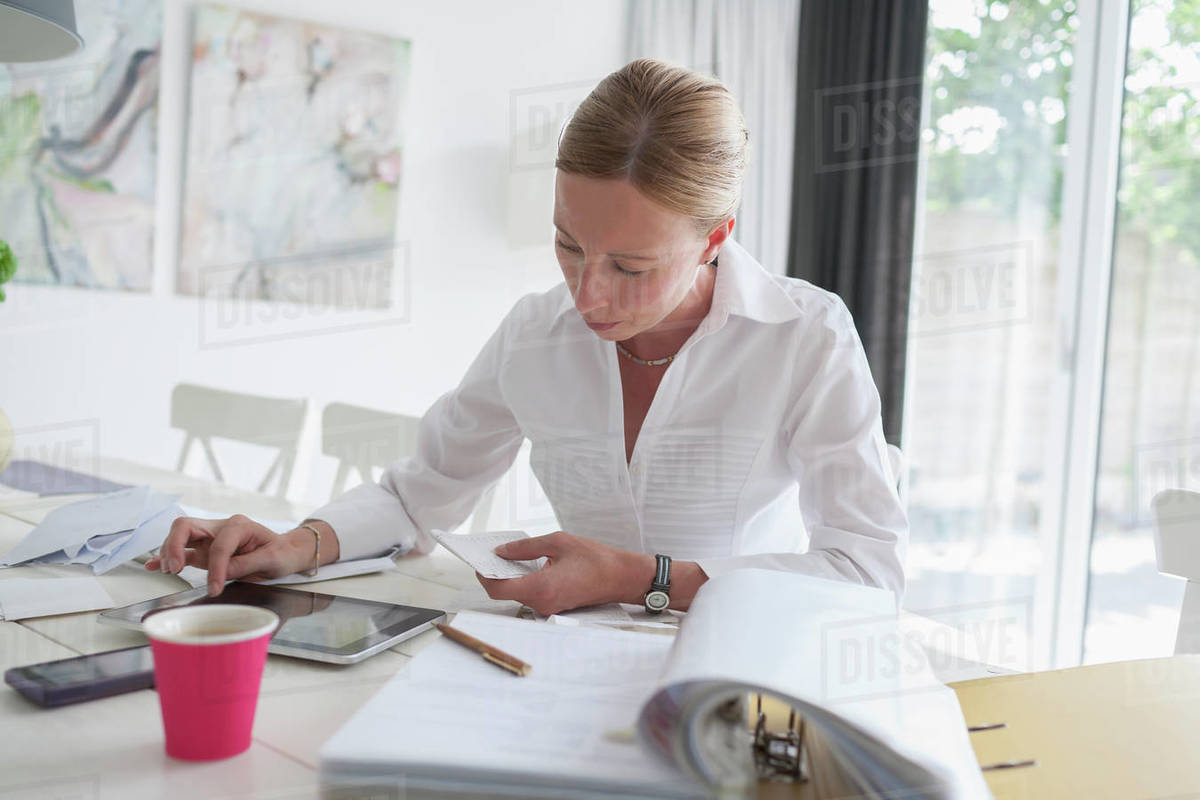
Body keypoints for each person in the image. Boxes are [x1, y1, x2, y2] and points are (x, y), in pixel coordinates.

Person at [148, 58, 907, 614]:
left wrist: (642, 577)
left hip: (734, 680)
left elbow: (866, 568)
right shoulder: (533, 336)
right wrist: (297, 542)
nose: (588, 294)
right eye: (568, 244)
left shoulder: (805, 337)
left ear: (717, 238)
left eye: (632, 267)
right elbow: (417, 498)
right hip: (547, 675)